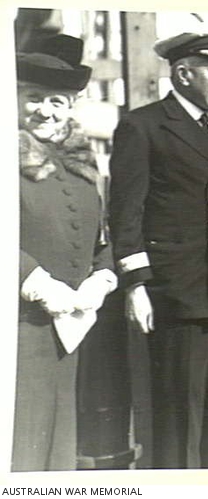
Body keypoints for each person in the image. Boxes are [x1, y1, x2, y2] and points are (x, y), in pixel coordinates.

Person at [108, 32, 208, 469]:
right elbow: (126, 213)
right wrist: (136, 285)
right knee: (177, 417)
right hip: (176, 293)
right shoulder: (143, 127)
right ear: (182, 73)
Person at [15, 34, 117, 471]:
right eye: (33, 98)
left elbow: (101, 236)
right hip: (17, 327)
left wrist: (103, 276)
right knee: (21, 440)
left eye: (57, 101)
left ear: (71, 106)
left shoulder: (82, 163)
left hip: (69, 327)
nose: (45, 111)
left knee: (59, 443)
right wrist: (35, 281)